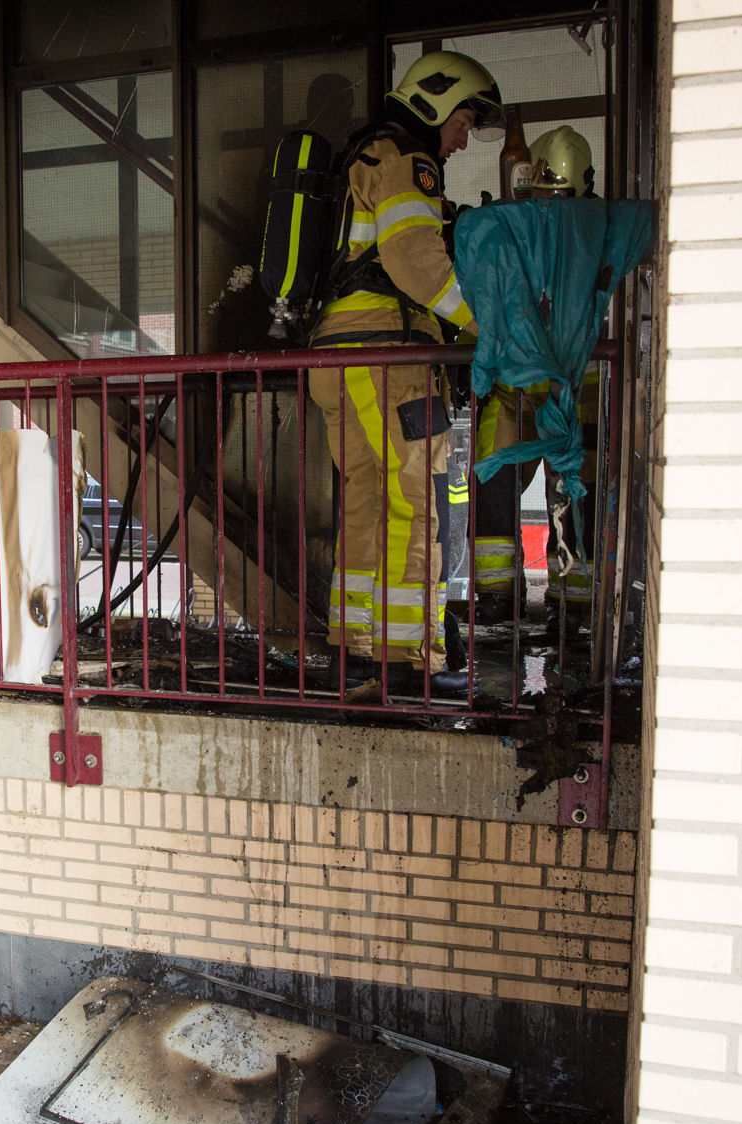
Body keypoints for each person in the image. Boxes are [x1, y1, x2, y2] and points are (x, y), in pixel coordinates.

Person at [305, 50, 503, 688]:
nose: (462, 137)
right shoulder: (405, 161)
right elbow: (416, 263)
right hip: (385, 354)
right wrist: (490, 326)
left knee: (366, 500)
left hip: (337, 356)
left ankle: (357, 646)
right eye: (463, 120)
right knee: (418, 500)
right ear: (434, 100)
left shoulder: (363, 155)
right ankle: (414, 660)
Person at [468, 125, 601, 634]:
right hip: (518, 389)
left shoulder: (592, 233)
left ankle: (573, 609)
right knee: (494, 482)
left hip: (574, 391)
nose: (547, 204)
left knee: (575, 494)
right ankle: (498, 602)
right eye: (541, 195)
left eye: (555, 195)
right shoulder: (519, 230)